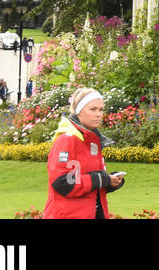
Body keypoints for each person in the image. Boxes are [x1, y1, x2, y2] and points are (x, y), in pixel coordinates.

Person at [43, 88, 126, 219]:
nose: (98, 114)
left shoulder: (92, 141)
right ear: (79, 112)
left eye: (101, 109)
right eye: (93, 109)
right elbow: (62, 183)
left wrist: (109, 181)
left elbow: (88, 186)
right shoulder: (67, 139)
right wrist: (100, 179)